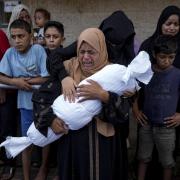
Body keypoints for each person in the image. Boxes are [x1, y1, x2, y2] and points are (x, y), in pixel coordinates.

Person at [133, 5, 180, 180]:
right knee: (144, 154)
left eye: (176, 24)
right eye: (168, 23)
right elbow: (135, 81)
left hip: (171, 118)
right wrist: (135, 109)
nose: (172, 28)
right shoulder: (147, 45)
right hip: (148, 114)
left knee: (167, 156)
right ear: (161, 23)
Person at [0, 19, 49, 180]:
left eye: (21, 36)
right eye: (13, 37)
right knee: (25, 141)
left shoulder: (38, 50)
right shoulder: (10, 53)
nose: (17, 40)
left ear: (30, 36)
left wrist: (25, 81)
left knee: (45, 137)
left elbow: (46, 77)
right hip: (25, 105)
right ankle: (27, 177)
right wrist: (15, 82)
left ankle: (43, 168)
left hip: (42, 103)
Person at [33, 20, 65, 180]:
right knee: (45, 130)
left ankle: (61, 169)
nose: (51, 40)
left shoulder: (67, 56)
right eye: (48, 36)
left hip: (63, 97)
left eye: (55, 36)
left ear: (63, 39)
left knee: (63, 133)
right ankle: (44, 167)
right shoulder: (41, 54)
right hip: (46, 99)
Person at [0, 29, 17, 180]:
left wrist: (2, 88)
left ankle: (9, 163)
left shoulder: (0, 34)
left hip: (3, 91)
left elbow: (6, 63)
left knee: (6, 129)